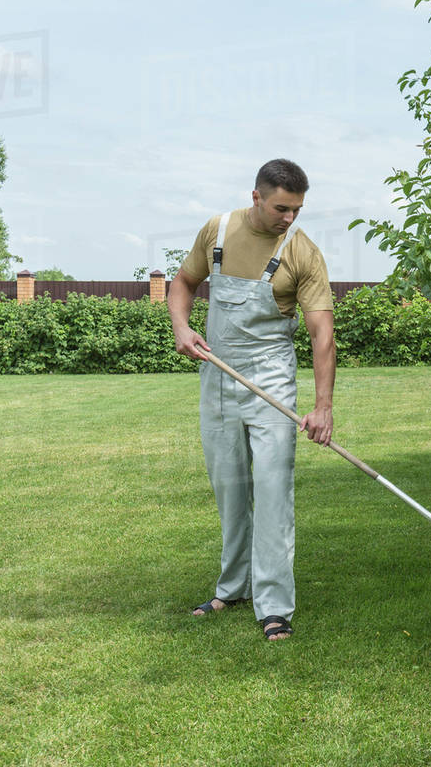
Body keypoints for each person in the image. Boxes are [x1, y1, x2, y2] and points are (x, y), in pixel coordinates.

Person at [168, 158, 336, 642]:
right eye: (282, 208)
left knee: (272, 488)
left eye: (298, 209)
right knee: (229, 487)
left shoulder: (303, 252)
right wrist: (182, 326)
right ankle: (234, 586)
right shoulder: (217, 231)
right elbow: (183, 283)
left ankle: (274, 606)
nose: (290, 218)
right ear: (256, 196)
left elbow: (321, 333)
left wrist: (322, 407)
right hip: (217, 376)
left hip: (271, 381)